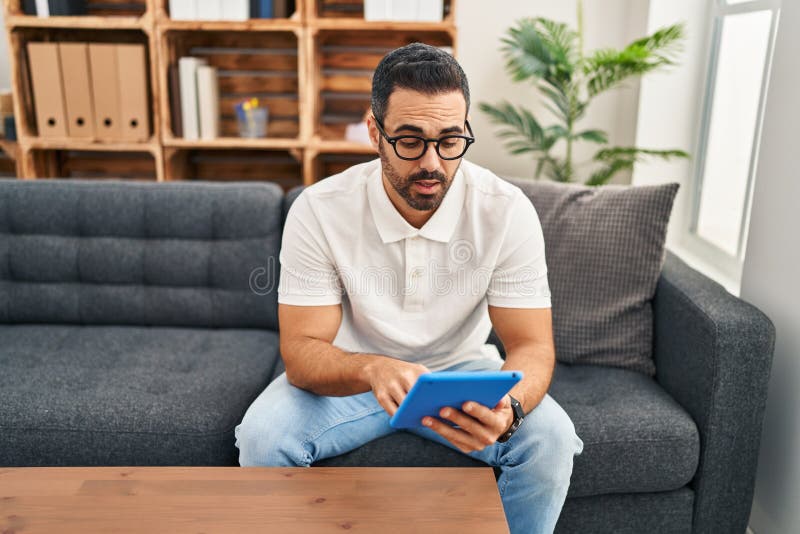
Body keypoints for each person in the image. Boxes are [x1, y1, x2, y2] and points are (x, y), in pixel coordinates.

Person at [235, 42, 584, 533]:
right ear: (375, 132)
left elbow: (531, 345)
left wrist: (514, 408)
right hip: (352, 375)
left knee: (550, 440)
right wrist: (375, 368)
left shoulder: (506, 210)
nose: (433, 164)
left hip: (461, 373)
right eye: (410, 140)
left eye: (449, 140)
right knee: (263, 438)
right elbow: (301, 351)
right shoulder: (319, 209)